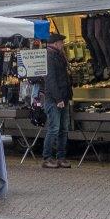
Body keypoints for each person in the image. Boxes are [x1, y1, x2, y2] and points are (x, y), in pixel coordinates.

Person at [41, 32, 72, 169]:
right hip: (54, 99)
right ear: (55, 43)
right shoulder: (49, 57)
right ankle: (47, 158)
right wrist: (58, 98)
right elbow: (51, 80)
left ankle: (61, 157)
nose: (62, 44)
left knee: (63, 129)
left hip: (63, 97)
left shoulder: (59, 55)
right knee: (54, 128)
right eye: (61, 42)